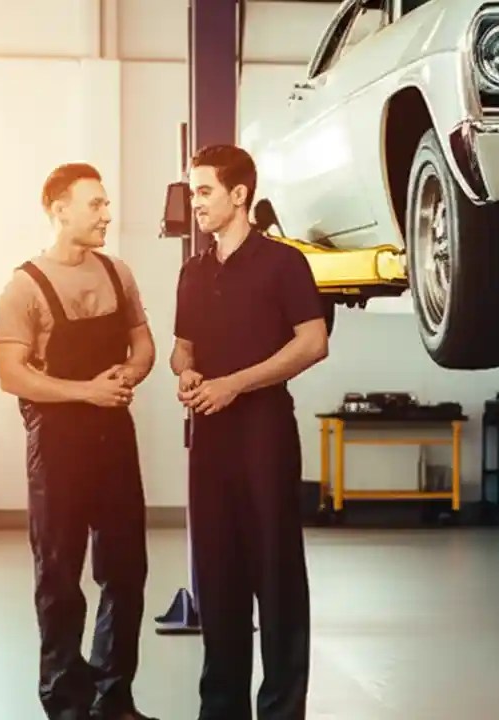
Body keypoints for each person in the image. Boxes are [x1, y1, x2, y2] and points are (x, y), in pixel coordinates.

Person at [0, 163, 159, 720]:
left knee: (126, 569)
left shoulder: (118, 274)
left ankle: (115, 697)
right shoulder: (24, 286)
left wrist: (123, 380)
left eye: (107, 204)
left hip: (114, 434)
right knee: (59, 575)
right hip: (57, 442)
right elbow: (12, 374)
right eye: (96, 205)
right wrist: (85, 391)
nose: (107, 214)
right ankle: (66, 703)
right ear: (60, 209)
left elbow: (144, 347)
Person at [172, 144, 329, 720]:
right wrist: (186, 372)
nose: (196, 204)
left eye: (205, 191)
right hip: (209, 436)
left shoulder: (283, 264)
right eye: (192, 193)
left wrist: (235, 383)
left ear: (240, 195)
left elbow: (313, 342)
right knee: (216, 575)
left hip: (264, 434)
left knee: (276, 573)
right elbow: (181, 349)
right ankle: (221, 709)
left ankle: (283, 711)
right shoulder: (192, 270)